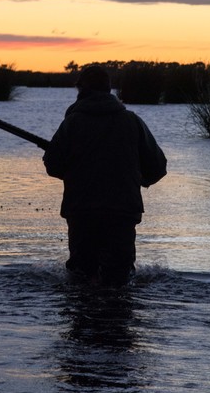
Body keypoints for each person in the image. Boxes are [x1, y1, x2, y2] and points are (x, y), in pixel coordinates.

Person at [43, 65, 166, 286]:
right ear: (109, 90)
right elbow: (158, 167)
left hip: (82, 210)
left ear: (80, 89)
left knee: (81, 278)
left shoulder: (72, 123)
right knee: (119, 279)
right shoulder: (132, 121)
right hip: (123, 211)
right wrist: (139, 180)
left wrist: (74, 172)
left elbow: (52, 165)